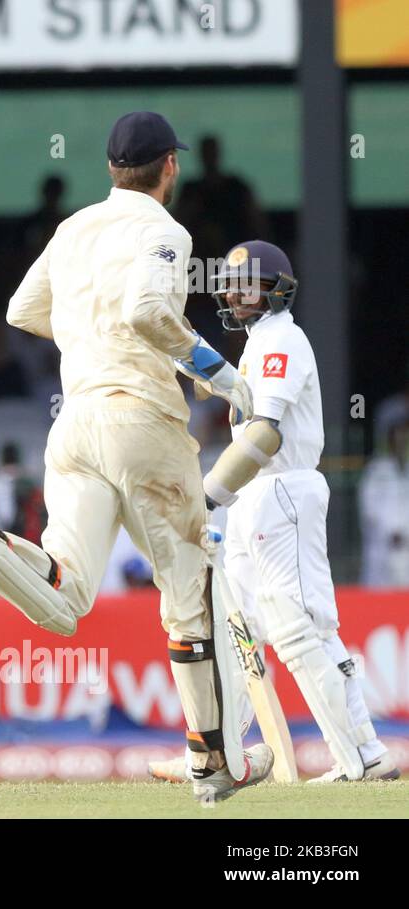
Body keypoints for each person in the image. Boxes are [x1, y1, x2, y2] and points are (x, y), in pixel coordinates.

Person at [0, 112, 273, 802]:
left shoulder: (72, 228)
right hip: (142, 423)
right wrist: (226, 379)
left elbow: (22, 309)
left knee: (66, 600)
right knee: (191, 595)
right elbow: (144, 313)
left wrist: (87, 328)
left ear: (112, 170)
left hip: (74, 425)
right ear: (169, 167)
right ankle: (213, 761)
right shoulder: (166, 231)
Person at [153, 241, 397, 783]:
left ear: (278, 288)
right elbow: (232, 394)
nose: (236, 293)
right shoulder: (258, 342)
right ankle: (219, 757)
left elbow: (267, 428)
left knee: (300, 629)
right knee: (237, 627)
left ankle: (362, 756)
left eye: (249, 283)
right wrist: (175, 345)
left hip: (281, 488)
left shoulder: (282, 337)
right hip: (253, 495)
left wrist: (209, 494)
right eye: (232, 283)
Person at [360, 417, 409, 588]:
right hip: (383, 546)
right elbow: (369, 508)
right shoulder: (377, 470)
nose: (401, 443)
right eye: (398, 438)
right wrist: (391, 530)